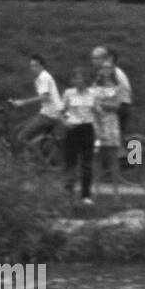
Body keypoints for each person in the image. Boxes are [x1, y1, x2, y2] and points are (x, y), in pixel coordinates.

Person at [60, 67, 98, 204]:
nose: (79, 81)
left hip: (87, 128)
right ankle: (68, 192)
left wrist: (98, 132)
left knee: (87, 163)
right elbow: (60, 111)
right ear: (73, 80)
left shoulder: (92, 94)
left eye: (81, 78)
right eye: (76, 78)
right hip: (72, 128)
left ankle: (85, 195)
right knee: (70, 162)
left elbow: (97, 112)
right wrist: (65, 122)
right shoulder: (68, 93)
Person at [9, 55, 63, 152]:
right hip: (48, 113)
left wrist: (23, 102)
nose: (33, 68)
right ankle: (28, 155)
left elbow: (44, 96)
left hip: (49, 115)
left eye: (36, 65)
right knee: (18, 129)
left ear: (42, 66)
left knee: (21, 136)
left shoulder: (44, 77)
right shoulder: (42, 77)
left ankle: (29, 160)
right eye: (31, 66)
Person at [92, 60, 125, 200]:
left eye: (108, 68)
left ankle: (116, 191)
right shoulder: (95, 86)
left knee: (113, 157)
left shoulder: (118, 87)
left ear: (112, 70)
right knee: (97, 157)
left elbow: (117, 105)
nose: (106, 70)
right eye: (103, 68)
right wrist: (103, 105)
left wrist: (102, 104)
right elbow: (92, 104)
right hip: (98, 123)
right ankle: (95, 189)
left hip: (111, 124)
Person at [91, 45, 132, 136]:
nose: (94, 61)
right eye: (93, 58)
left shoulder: (114, 72)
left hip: (119, 106)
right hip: (110, 105)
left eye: (97, 58)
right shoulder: (101, 73)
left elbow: (121, 91)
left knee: (115, 136)